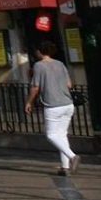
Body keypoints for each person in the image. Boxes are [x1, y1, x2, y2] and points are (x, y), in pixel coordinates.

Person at [25, 40, 78, 174]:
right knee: (61, 134)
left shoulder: (39, 65)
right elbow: (69, 84)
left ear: (39, 51)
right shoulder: (60, 64)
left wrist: (29, 102)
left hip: (53, 104)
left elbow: (35, 87)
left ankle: (72, 156)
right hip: (67, 103)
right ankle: (65, 167)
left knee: (51, 134)